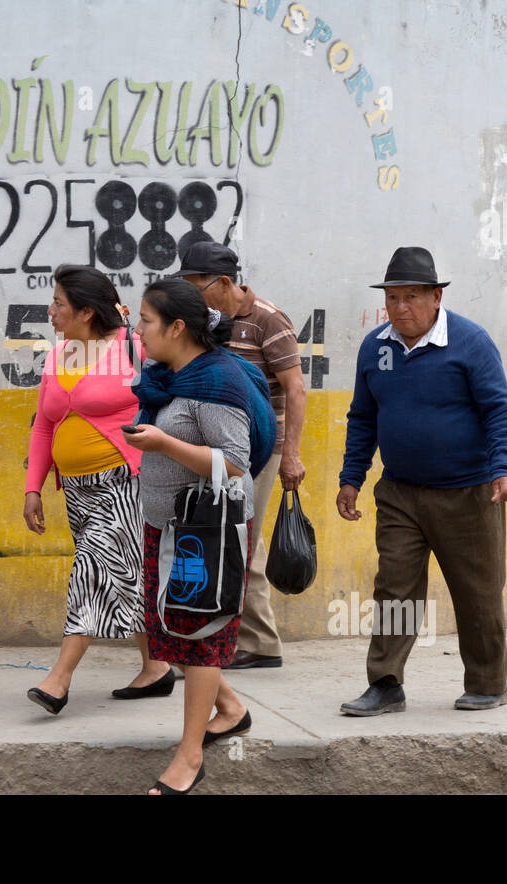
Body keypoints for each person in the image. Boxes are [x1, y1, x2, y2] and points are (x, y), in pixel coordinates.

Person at [335, 247, 507, 715]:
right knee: (394, 588)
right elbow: (363, 418)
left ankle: (487, 681)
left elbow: (498, 410)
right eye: (392, 298)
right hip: (401, 492)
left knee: (477, 592)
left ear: (436, 297)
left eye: (411, 297)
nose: (399, 308)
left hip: (469, 492)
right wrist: (351, 477)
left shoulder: (470, 342)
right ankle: (386, 683)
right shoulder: (376, 347)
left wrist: (503, 468)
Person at [125, 277, 260, 795]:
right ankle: (230, 708)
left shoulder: (215, 383)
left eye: (146, 321)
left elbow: (235, 465)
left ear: (178, 328)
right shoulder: (167, 375)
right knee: (169, 626)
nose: (139, 330)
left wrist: (162, 443)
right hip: (168, 526)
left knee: (198, 635)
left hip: (206, 532)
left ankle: (188, 757)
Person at [22, 264, 172, 714]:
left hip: (126, 482)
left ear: (87, 312)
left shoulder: (134, 349)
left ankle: (59, 678)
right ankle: (158, 667)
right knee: (127, 576)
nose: (50, 311)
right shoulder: (59, 355)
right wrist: (33, 487)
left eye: (59, 304)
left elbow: (174, 395)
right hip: (77, 490)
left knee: (90, 571)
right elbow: (44, 426)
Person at [177, 241, 306, 670]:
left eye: (198, 288)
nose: (193, 297)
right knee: (236, 538)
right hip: (220, 446)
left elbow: (295, 389)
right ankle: (249, 638)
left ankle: (260, 644)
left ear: (225, 283)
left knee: (241, 540)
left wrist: (291, 455)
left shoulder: (268, 319)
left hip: (261, 449)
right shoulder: (207, 321)